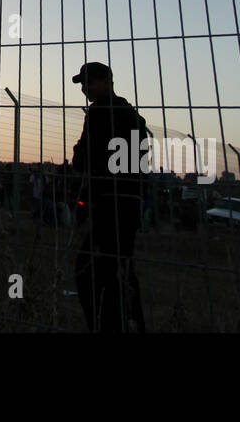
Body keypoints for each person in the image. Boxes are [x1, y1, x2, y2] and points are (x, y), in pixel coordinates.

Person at [71, 61, 148, 333]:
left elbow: (82, 158)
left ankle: (105, 324)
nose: (84, 89)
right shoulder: (132, 115)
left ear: (106, 81)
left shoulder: (99, 113)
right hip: (130, 201)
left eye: (89, 82)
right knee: (119, 267)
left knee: (89, 269)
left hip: (108, 200)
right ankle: (131, 322)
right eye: (82, 84)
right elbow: (139, 158)